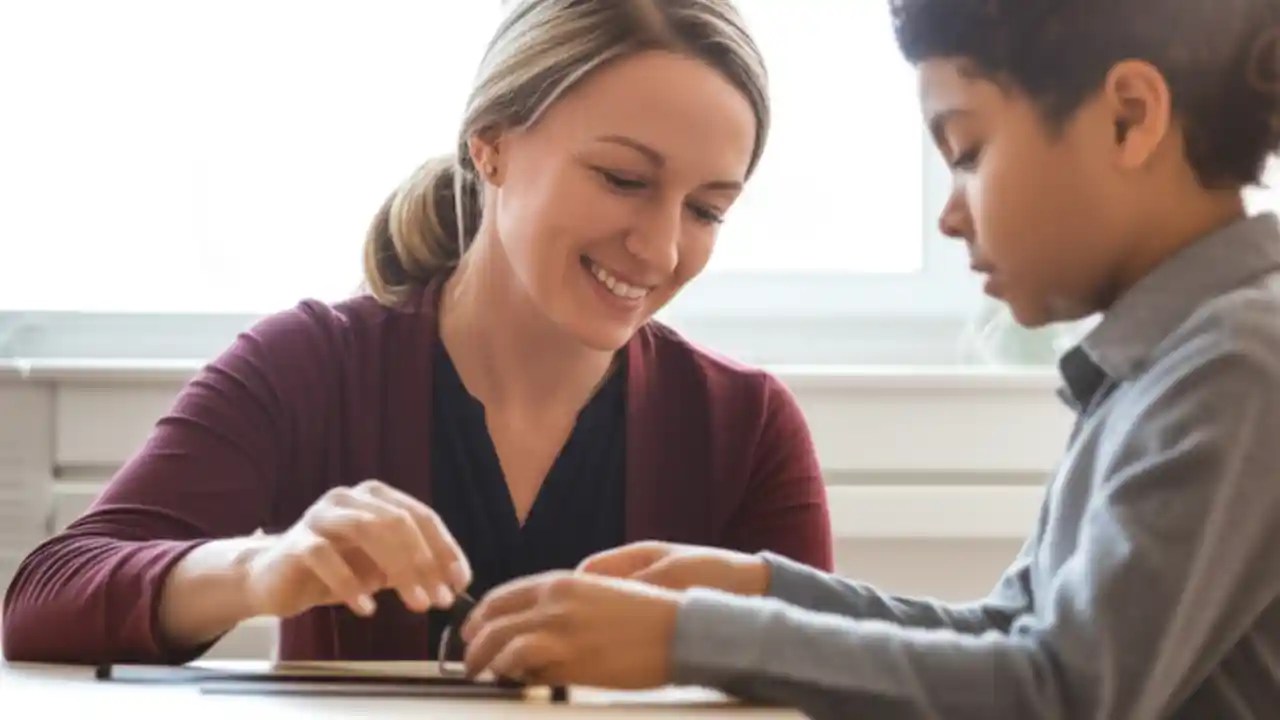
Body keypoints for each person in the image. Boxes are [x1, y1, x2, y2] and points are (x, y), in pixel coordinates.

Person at [455, 1, 1280, 717]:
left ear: (1129, 117)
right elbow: (1009, 633)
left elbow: (1057, 692)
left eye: (968, 151)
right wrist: (760, 590)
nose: (951, 217)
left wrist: (689, 639)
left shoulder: (1236, 367)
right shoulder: (1168, 367)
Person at [0, 0, 835, 664]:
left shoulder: (747, 427)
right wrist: (261, 567)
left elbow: (832, 674)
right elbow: (43, 599)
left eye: (706, 210)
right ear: (493, 147)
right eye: (622, 179)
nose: (659, 248)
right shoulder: (312, 368)